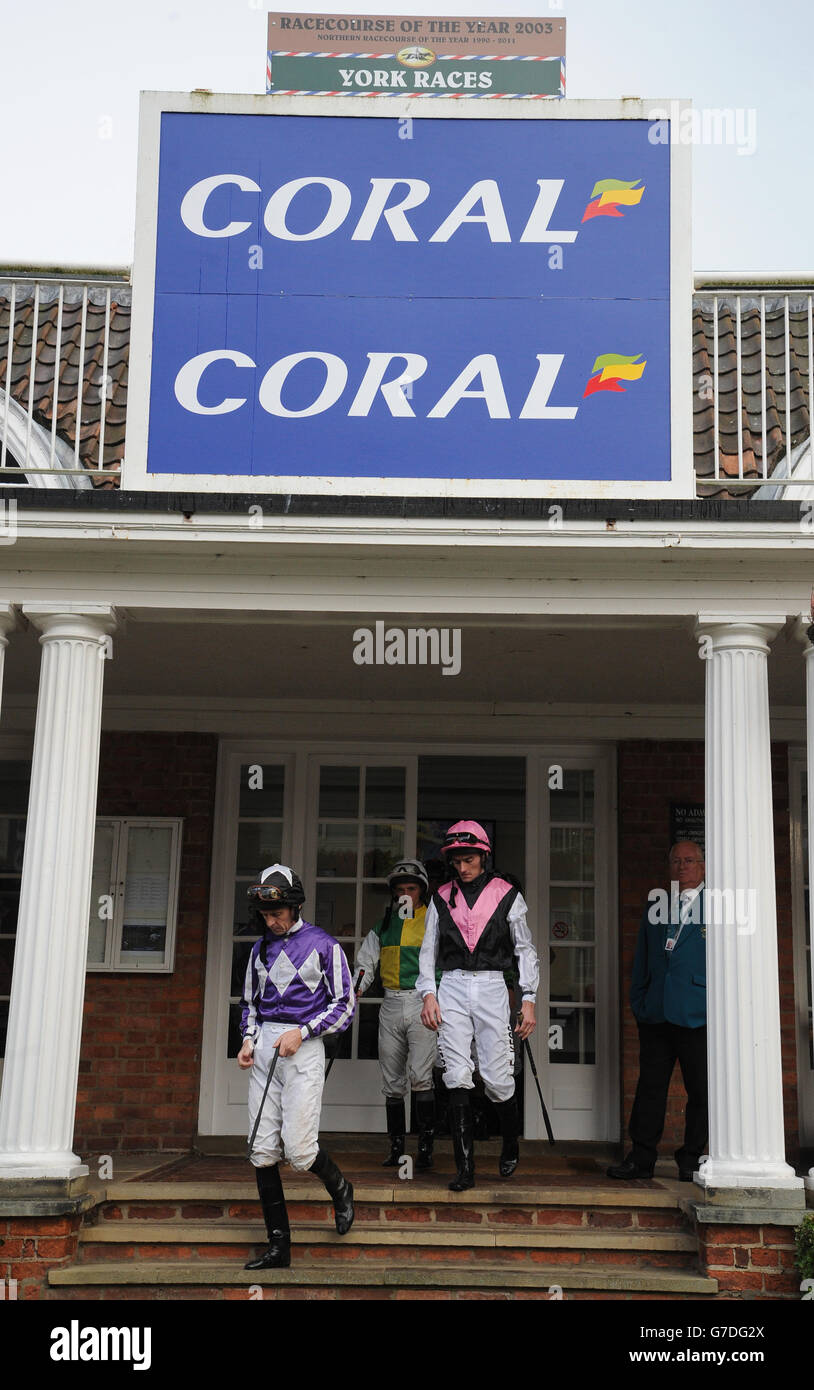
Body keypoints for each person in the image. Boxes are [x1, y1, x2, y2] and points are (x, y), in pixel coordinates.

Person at [237, 863, 356, 1269]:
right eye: (266, 916)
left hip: (303, 1047)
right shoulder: (258, 949)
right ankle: (279, 1246)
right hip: (267, 1044)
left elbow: (345, 1007)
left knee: (301, 1151)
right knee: (262, 1149)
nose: (271, 921)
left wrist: (302, 1032)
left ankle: (340, 1187)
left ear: (296, 906)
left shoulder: (325, 945)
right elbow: (249, 1005)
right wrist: (248, 1041)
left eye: (278, 914)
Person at [416, 821, 539, 1191]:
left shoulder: (507, 894)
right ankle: (464, 1168)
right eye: (456, 861)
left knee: (498, 1078)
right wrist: (428, 993)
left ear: (483, 856)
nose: (462, 867)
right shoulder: (440, 896)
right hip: (451, 984)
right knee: (456, 1072)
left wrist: (528, 999)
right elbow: (428, 951)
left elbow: (525, 950)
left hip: (491, 986)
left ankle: (510, 1141)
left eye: (468, 860)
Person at [607, 840, 708, 1183]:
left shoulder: (717, 907)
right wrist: (639, 1000)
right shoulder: (657, 905)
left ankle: (691, 1158)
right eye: (676, 861)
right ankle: (641, 1158)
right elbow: (642, 959)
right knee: (650, 1087)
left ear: (704, 866)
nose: (682, 867)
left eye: (690, 860)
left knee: (701, 1090)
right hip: (656, 1012)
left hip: (698, 1012)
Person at [355, 859, 438, 1170]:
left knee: (421, 1076)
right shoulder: (385, 923)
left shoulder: (434, 920)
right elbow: (366, 962)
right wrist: (356, 989)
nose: (405, 894)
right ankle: (396, 1148)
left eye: (411, 889)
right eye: (400, 889)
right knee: (392, 1080)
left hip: (422, 1002)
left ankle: (426, 1149)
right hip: (390, 1004)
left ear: (422, 891)